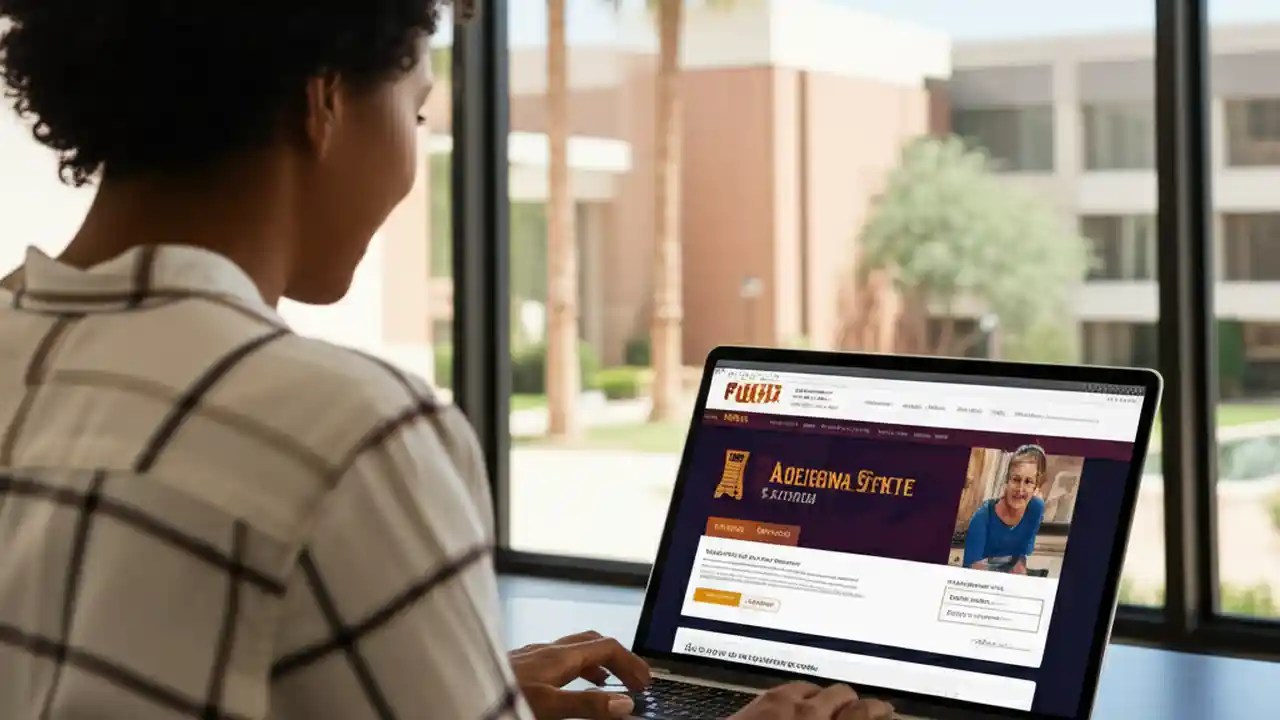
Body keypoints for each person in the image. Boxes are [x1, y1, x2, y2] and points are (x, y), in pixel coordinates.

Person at [0, 2, 891, 719]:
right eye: (418, 111)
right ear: (324, 103)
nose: (411, 160)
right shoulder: (345, 430)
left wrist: (452, 680)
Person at [962, 445, 1048, 575]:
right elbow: (971, 569)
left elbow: (1021, 554)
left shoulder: (1036, 509)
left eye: (1028, 482)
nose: (1020, 489)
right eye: (1016, 479)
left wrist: (1020, 567)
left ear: (1036, 486)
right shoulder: (982, 517)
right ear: (1007, 480)